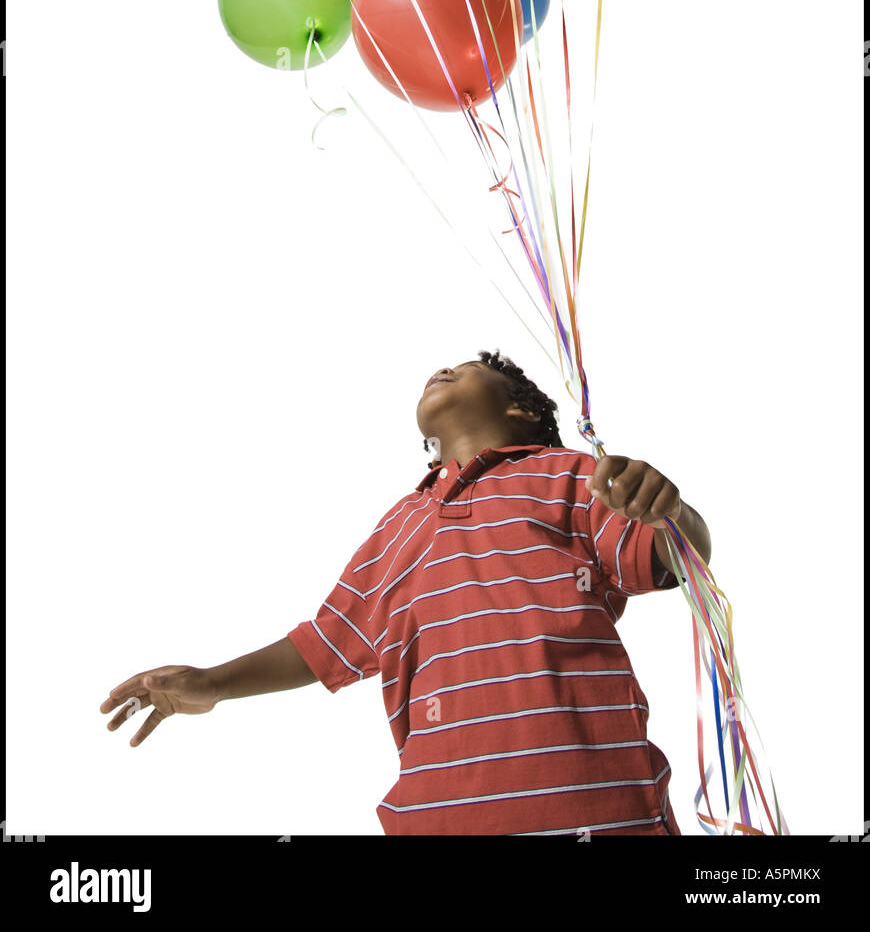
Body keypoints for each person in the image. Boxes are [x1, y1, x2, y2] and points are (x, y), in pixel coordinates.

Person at [101, 349, 712, 836]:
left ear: (521, 411)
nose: (444, 369)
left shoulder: (571, 475)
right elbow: (325, 644)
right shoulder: (398, 524)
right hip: (433, 815)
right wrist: (214, 682)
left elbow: (680, 557)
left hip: (593, 804)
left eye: (471, 369)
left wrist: (667, 510)